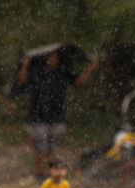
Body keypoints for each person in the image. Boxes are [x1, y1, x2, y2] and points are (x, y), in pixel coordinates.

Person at [16, 48, 96, 178]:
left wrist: (90, 68)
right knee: (40, 146)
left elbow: (78, 81)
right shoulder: (36, 71)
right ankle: (40, 171)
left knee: (53, 146)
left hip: (56, 115)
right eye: (51, 57)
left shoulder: (62, 72)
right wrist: (24, 65)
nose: (54, 59)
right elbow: (22, 79)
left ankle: (50, 171)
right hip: (38, 115)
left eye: (55, 57)